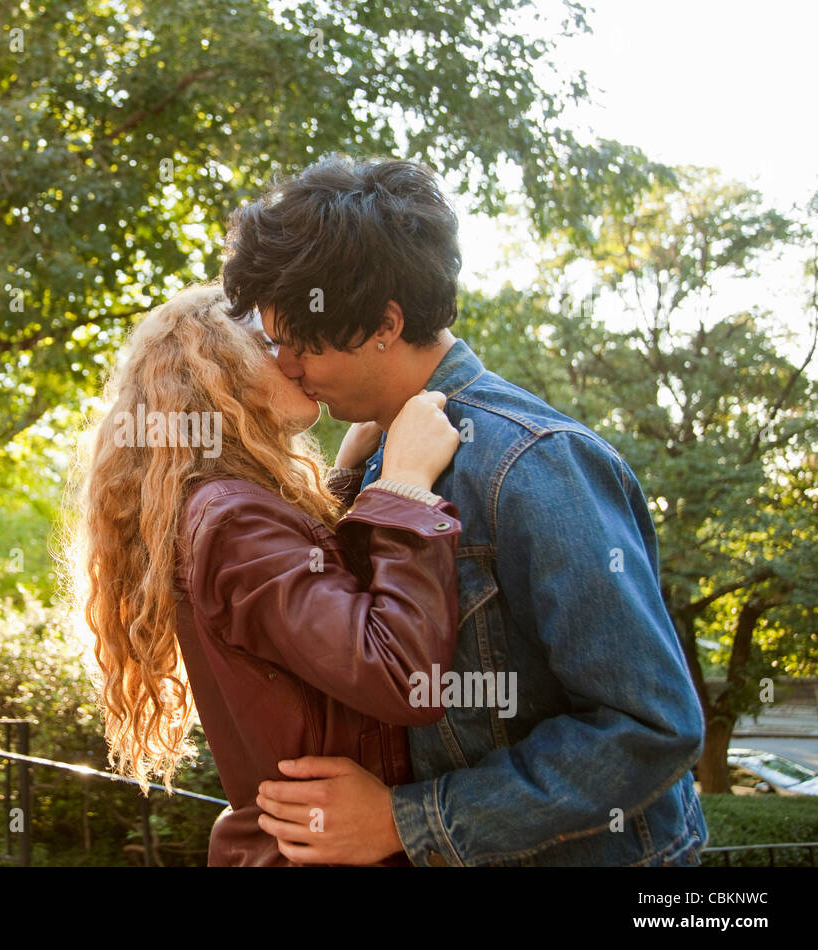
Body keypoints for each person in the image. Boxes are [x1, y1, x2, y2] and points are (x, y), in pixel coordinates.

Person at [222, 155, 709, 866]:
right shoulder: (387, 458)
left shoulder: (533, 463)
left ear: (384, 324)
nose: (287, 366)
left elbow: (649, 725)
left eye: (300, 343)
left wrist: (405, 822)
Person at [68, 283, 464, 865]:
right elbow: (404, 673)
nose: (295, 355)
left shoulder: (219, 507)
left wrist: (349, 479)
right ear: (216, 375)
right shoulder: (231, 519)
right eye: (271, 343)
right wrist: (404, 487)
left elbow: (303, 605)